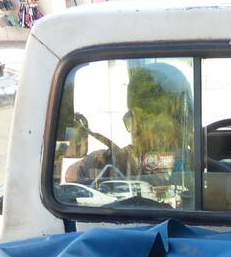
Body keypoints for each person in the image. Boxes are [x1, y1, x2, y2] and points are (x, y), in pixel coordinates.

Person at [59, 61, 194, 203]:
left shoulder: (196, 165)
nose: (139, 129)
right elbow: (72, 178)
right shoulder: (104, 163)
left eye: (153, 119)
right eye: (138, 119)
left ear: (180, 124)